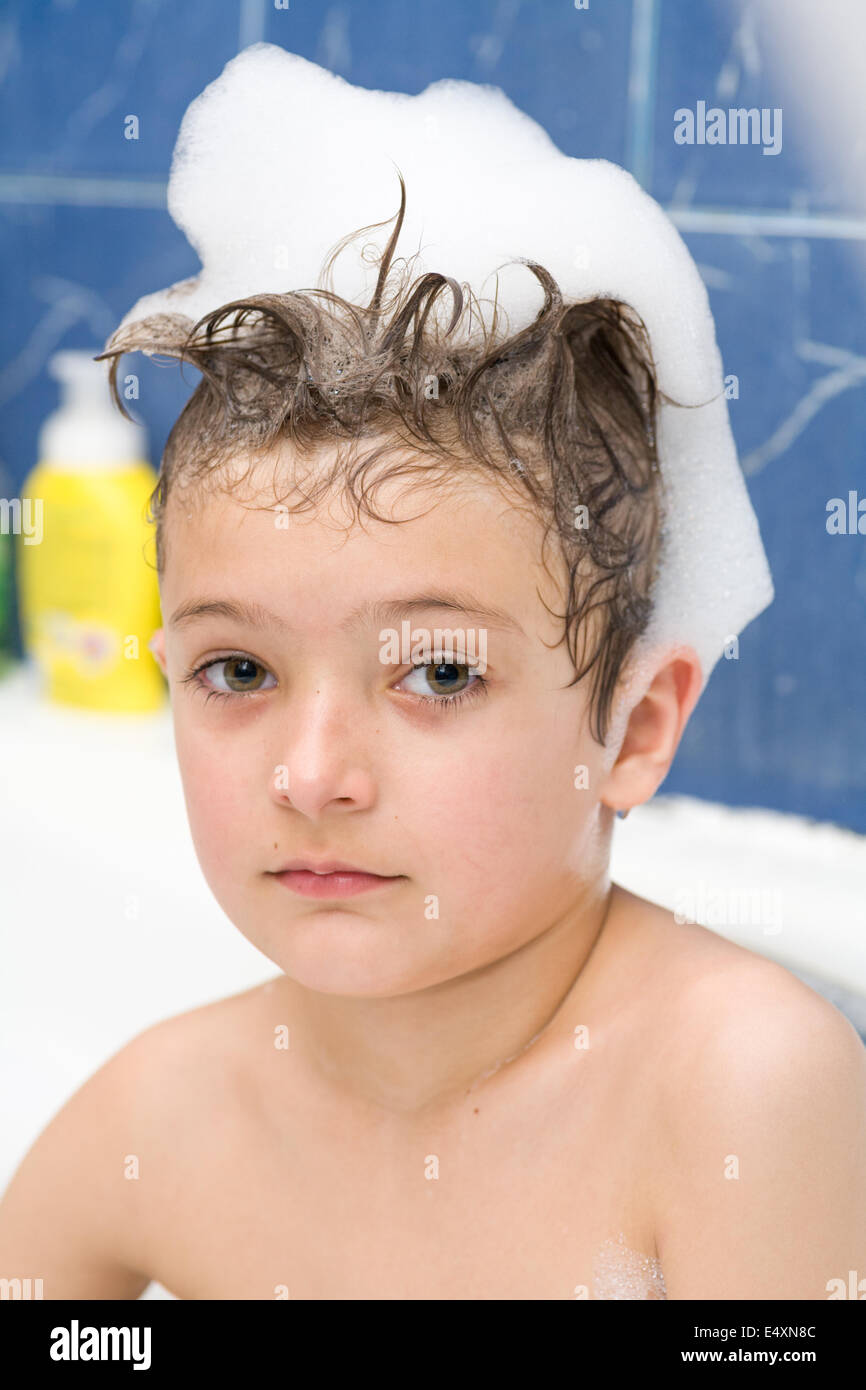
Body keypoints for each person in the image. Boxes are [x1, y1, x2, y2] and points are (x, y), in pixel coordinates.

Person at [1, 182, 864, 1301]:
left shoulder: (733, 1088)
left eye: (440, 673)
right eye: (239, 671)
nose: (309, 775)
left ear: (634, 727)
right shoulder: (156, 1118)